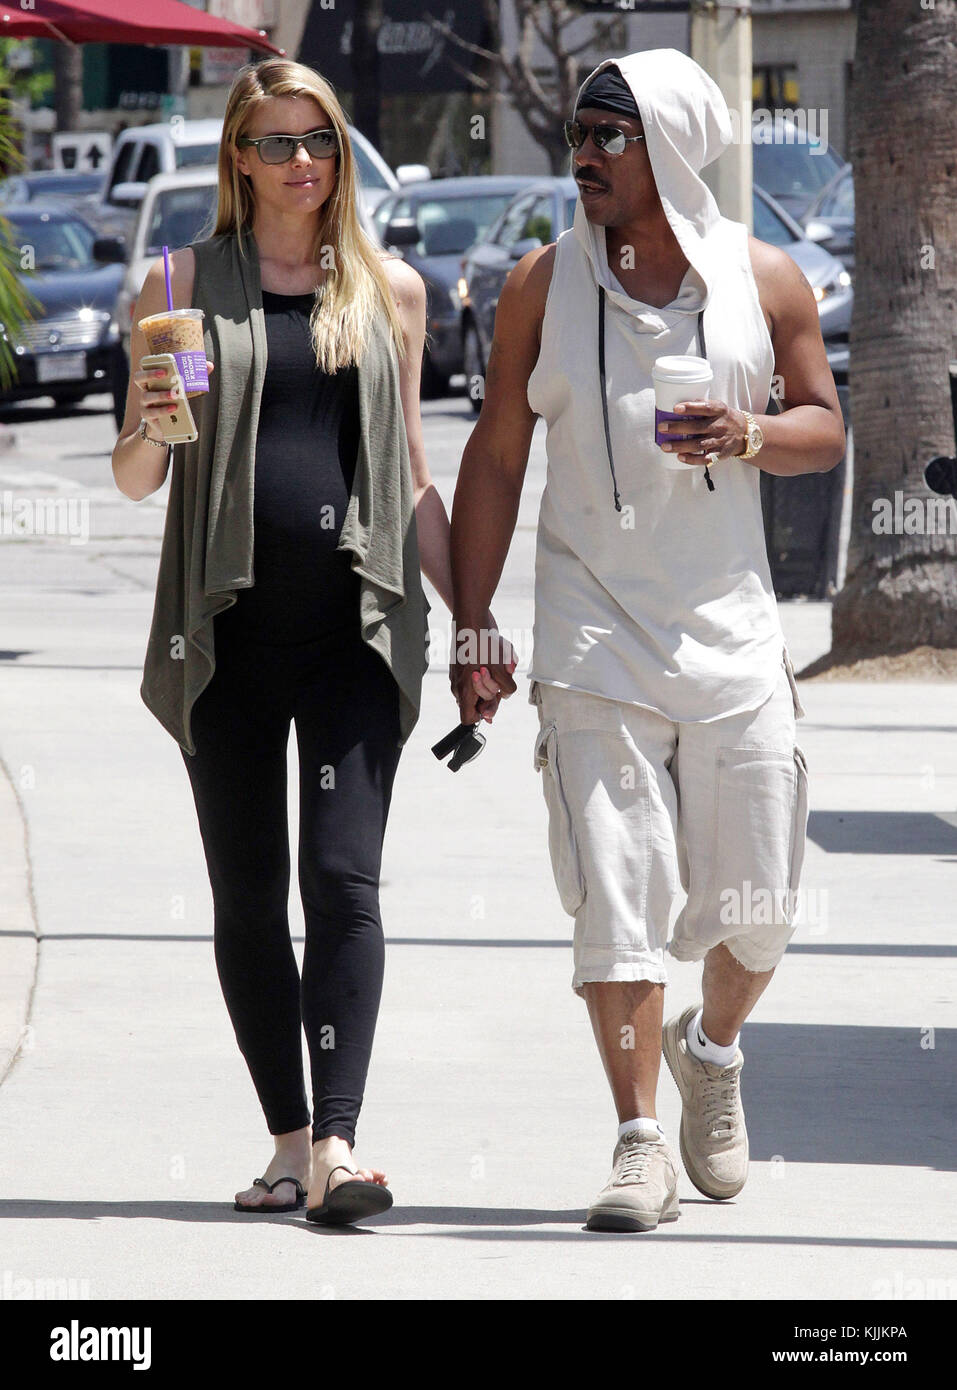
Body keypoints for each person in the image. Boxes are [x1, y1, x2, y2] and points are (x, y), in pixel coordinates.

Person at [449, 50, 844, 1232]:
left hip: (731, 633)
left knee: (760, 906)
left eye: (608, 132)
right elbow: (500, 458)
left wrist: (752, 433)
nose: (584, 152)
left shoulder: (764, 280)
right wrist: (473, 623)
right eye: (577, 130)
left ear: (668, 142)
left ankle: (710, 1050)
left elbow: (826, 426)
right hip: (593, 631)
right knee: (616, 895)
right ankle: (633, 1143)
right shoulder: (540, 285)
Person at [111, 57, 511, 1225]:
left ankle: (339, 1141)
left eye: (320, 142)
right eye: (278, 143)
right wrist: (150, 413)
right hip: (224, 636)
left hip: (353, 631)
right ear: (238, 157)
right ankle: (287, 1139)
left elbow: (418, 482)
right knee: (246, 895)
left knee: (342, 880)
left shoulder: (387, 291)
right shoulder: (180, 284)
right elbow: (140, 479)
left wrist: (476, 616)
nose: (302, 163)